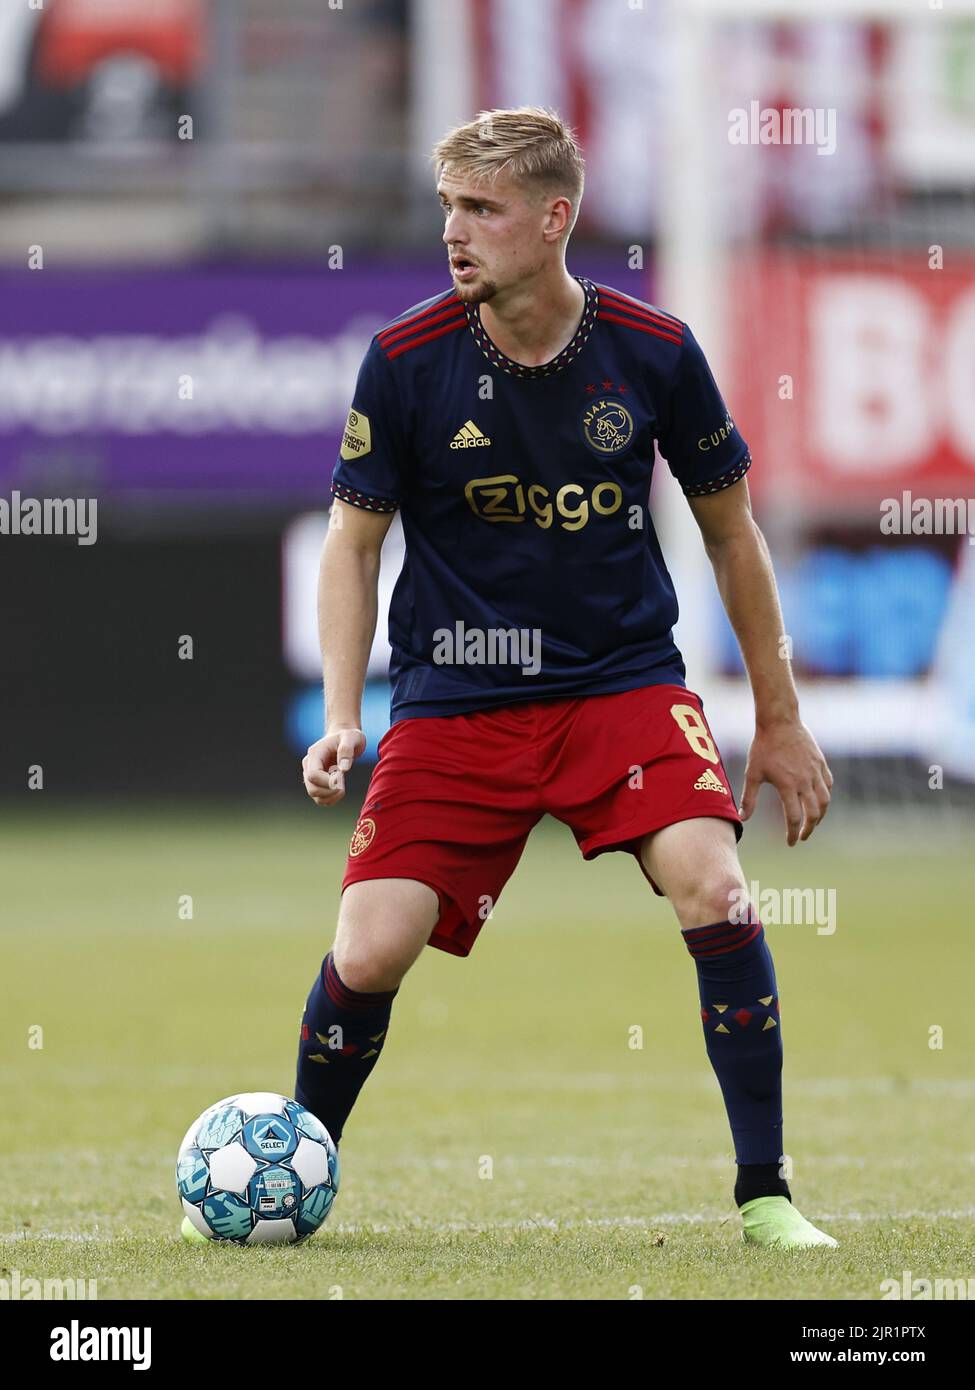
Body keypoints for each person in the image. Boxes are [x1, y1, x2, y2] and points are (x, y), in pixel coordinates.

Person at [296, 106, 835, 1249]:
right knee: (369, 949)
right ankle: (292, 1168)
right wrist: (345, 713)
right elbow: (352, 543)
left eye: (481, 209)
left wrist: (780, 718)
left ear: (554, 219)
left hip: (620, 684)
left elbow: (733, 536)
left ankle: (767, 1192)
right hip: (456, 696)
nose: (455, 231)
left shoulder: (655, 349)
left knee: (717, 888)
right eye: (448, 207)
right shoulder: (406, 358)